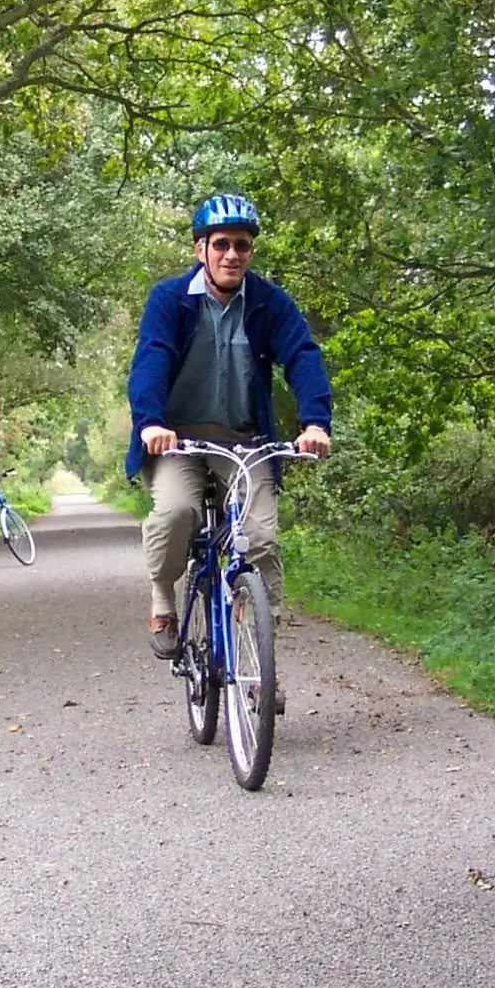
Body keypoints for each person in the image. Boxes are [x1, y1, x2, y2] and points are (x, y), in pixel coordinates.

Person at [125, 194, 334, 660]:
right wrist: (151, 421)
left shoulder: (267, 302)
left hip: (241, 441)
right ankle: (163, 597)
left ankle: (259, 651)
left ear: (251, 252)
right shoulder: (170, 300)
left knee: (260, 538)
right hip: (176, 438)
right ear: (201, 249)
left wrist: (315, 422)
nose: (232, 254)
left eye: (242, 245)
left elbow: (302, 355)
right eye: (221, 244)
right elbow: (152, 359)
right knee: (177, 512)